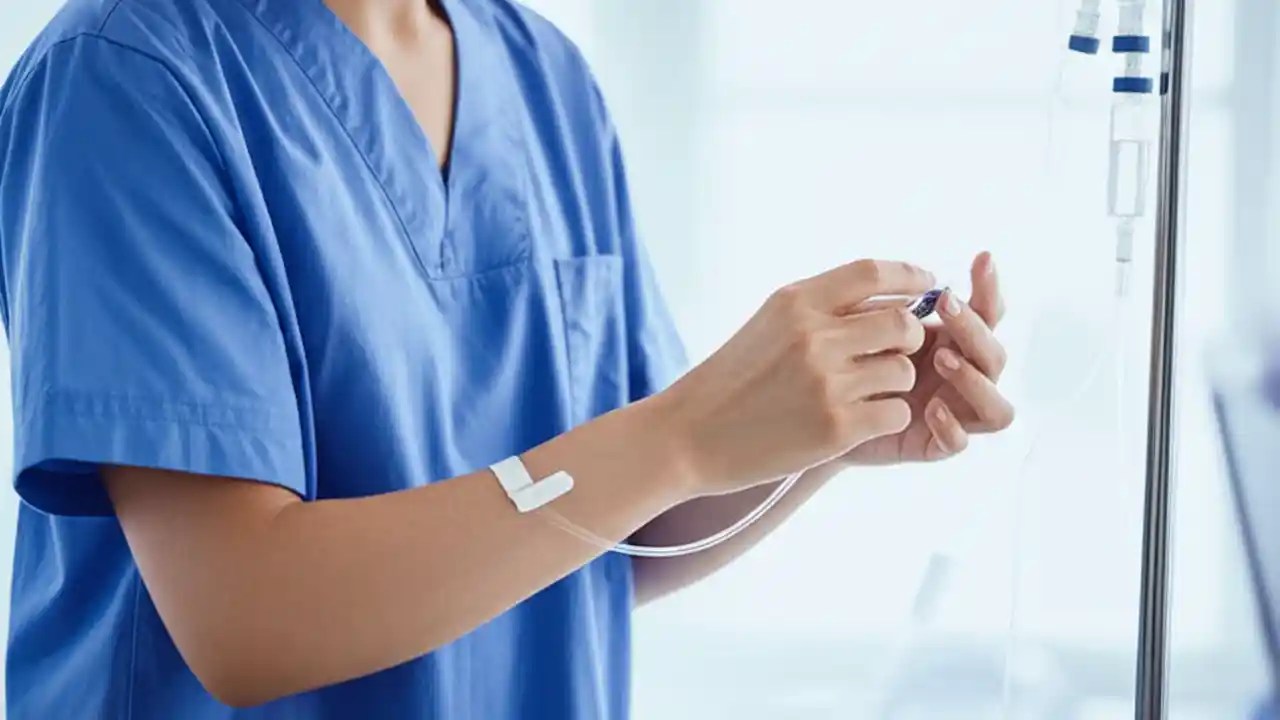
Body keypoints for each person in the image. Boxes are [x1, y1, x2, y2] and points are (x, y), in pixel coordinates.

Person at [0, 0, 1015, 717]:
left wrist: (822, 426)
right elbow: (249, 620)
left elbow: (606, 536)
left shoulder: (541, 75)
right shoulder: (130, 73)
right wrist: (686, 432)